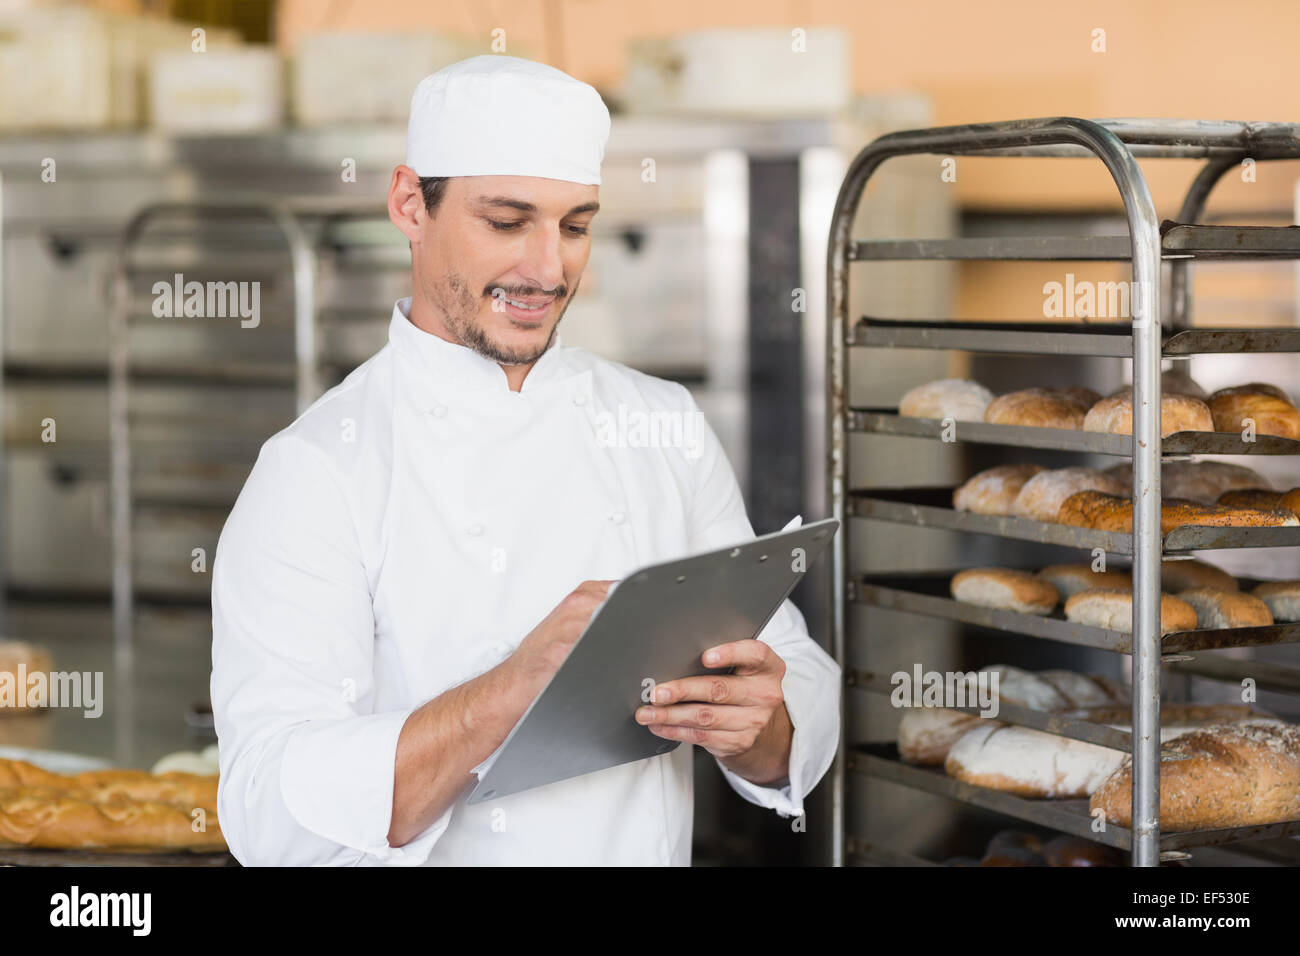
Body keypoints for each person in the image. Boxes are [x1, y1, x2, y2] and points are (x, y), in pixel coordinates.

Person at [210, 54, 840, 866]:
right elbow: (269, 813)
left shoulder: (660, 423)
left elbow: (793, 683)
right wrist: (514, 687)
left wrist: (758, 726)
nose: (548, 269)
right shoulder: (317, 470)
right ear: (410, 203)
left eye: (575, 226)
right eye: (507, 222)